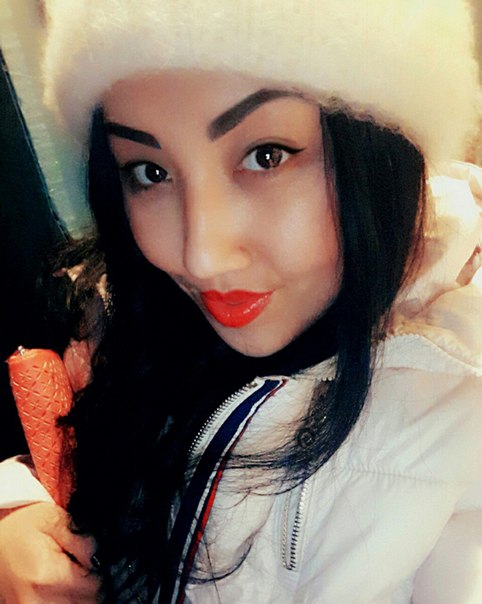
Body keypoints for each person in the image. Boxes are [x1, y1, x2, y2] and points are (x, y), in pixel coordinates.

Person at [0, 1, 481, 602]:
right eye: (150, 172)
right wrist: (15, 517)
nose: (200, 257)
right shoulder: (132, 312)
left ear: (384, 149)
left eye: (266, 156)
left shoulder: (461, 420)